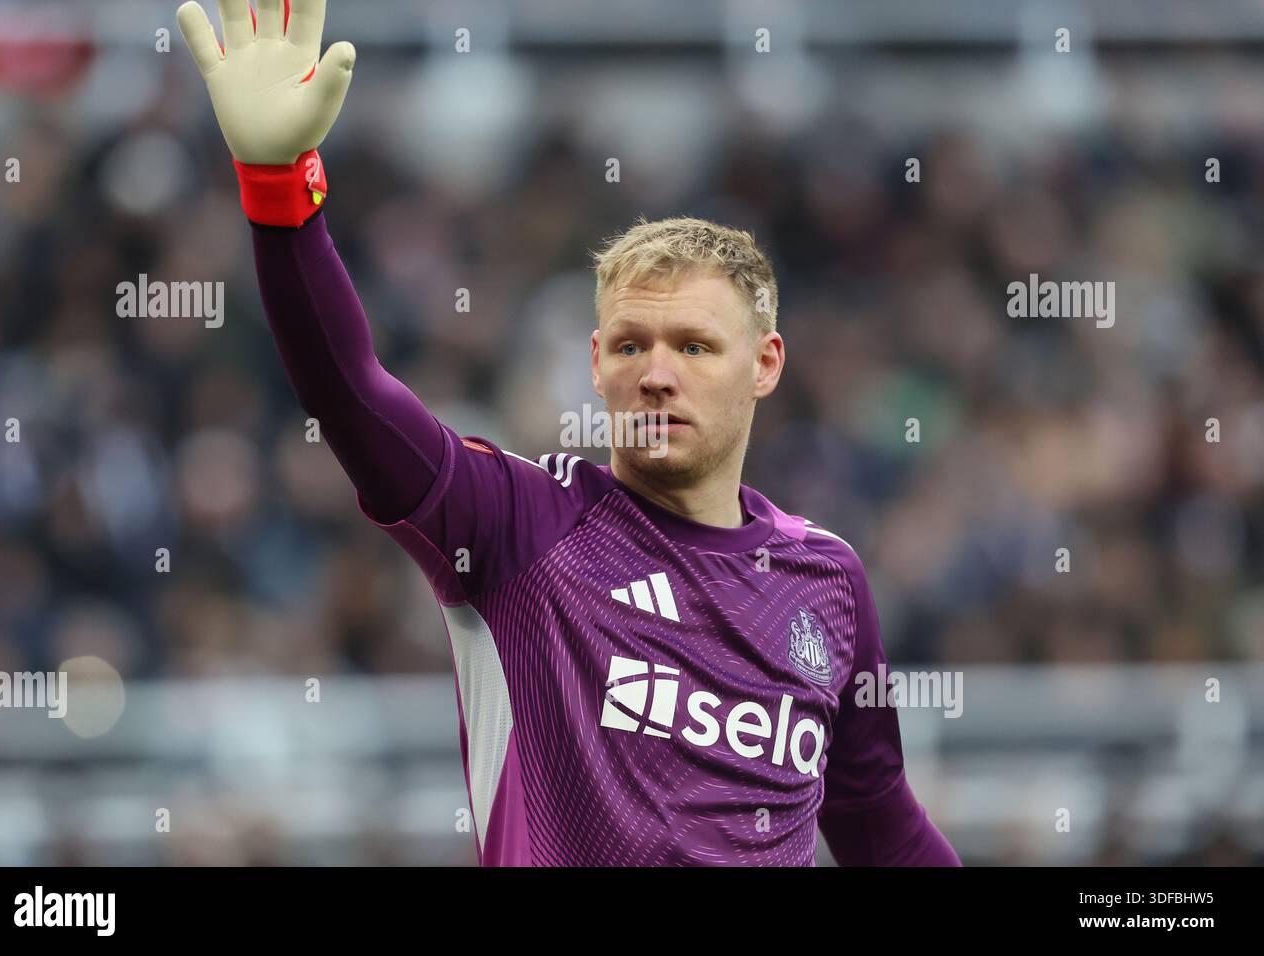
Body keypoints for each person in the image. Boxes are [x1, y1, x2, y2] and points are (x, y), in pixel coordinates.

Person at [177, 0, 960, 866]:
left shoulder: (827, 578)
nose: (655, 372)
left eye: (694, 346)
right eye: (630, 345)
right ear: (594, 363)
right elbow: (349, 392)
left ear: (766, 365)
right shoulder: (519, 524)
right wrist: (278, 188)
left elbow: (880, 821)